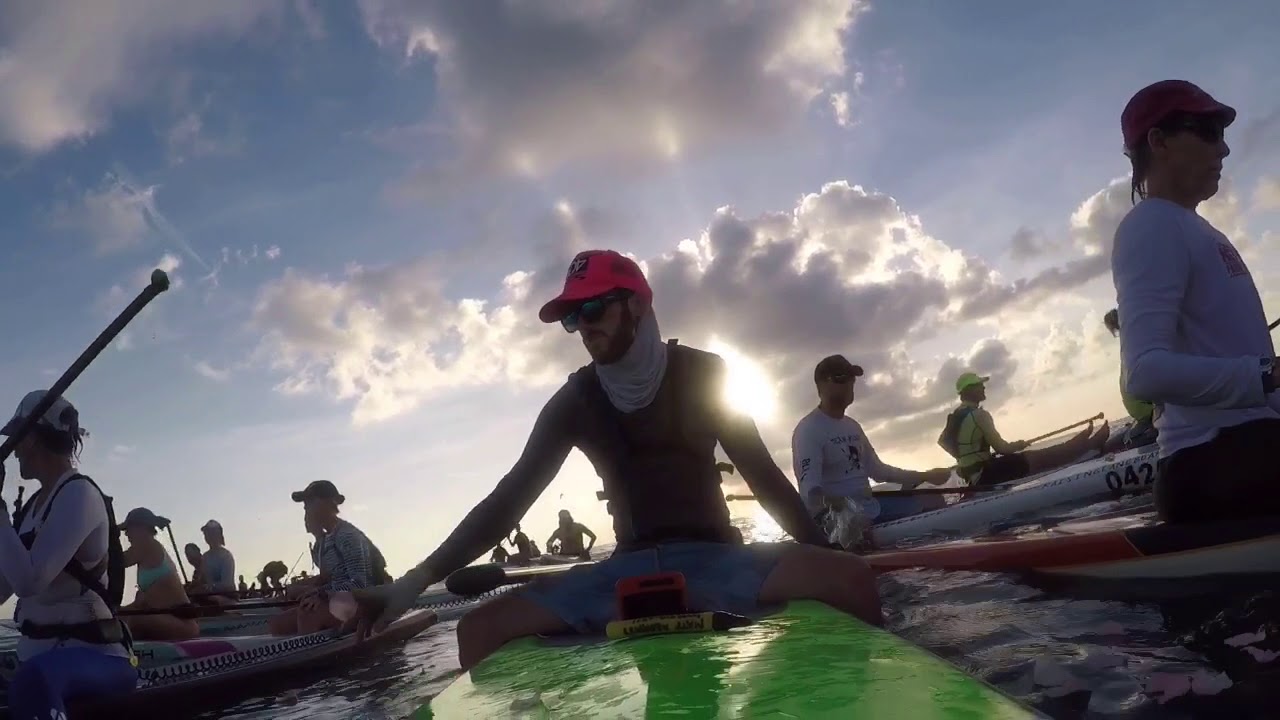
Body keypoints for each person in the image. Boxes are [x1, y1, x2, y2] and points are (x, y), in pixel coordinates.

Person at [347, 249, 881, 670]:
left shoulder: (705, 374)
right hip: (622, 571)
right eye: (572, 317)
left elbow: (763, 478)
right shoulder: (575, 401)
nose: (584, 326)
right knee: (477, 629)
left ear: (638, 305)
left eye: (594, 309)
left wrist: (824, 553)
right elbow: (507, 502)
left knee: (853, 579)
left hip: (717, 557)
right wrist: (411, 584)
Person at [1111, 79, 1280, 524]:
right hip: (1215, 463)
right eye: (1207, 132)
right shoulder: (1151, 224)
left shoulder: (1198, 229)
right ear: (1159, 141)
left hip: (1250, 447)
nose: (1223, 148)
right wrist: (1268, 373)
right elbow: (1144, 372)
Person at [0, 390, 137, 718]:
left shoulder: (79, 494)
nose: (14, 450)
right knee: (33, 674)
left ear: (32, 438)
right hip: (36, 656)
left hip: (97, 657)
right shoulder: (30, 508)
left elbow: (29, 582)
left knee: (35, 679)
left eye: (17, 437)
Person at [793, 356, 953, 547]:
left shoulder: (852, 426)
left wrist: (926, 476)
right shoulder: (808, 430)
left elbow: (879, 471)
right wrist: (844, 511)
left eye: (852, 378)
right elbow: (810, 493)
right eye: (842, 378)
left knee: (933, 499)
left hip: (870, 508)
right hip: (845, 523)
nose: (851, 384)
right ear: (822, 384)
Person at [939, 373, 1110, 486]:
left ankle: (1079, 442)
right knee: (1034, 457)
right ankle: (1088, 446)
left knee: (1032, 456)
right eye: (979, 385)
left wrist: (971, 458)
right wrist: (1019, 444)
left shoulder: (956, 415)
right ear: (969, 390)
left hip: (973, 475)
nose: (983, 388)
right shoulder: (979, 415)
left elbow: (946, 443)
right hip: (985, 475)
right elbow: (1002, 448)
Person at [269, 481, 390, 635]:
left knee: (308, 615)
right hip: (342, 600)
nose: (305, 508)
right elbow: (329, 578)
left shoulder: (348, 536)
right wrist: (308, 591)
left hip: (368, 602)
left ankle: (315, 648)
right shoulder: (327, 539)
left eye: (310, 502)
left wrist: (322, 594)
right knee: (278, 623)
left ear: (327, 503)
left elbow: (361, 583)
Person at [120, 508, 199, 641]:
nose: (126, 534)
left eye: (128, 529)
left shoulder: (147, 544)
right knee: (117, 617)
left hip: (179, 624)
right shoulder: (150, 548)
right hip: (170, 621)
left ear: (142, 528)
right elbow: (144, 603)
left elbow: (113, 562)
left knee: (131, 622)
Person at [1102, 309, 1159, 449]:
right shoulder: (1129, 344)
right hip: (1145, 416)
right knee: (1109, 446)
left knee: (1113, 446)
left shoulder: (1135, 343)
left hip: (1151, 415)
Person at [197, 519, 236, 600]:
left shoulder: (226, 556)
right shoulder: (205, 557)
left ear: (218, 535)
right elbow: (202, 579)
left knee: (211, 601)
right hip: (208, 596)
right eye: (206, 533)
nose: (207, 536)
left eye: (210, 533)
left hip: (228, 597)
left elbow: (227, 585)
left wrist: (208, 587)